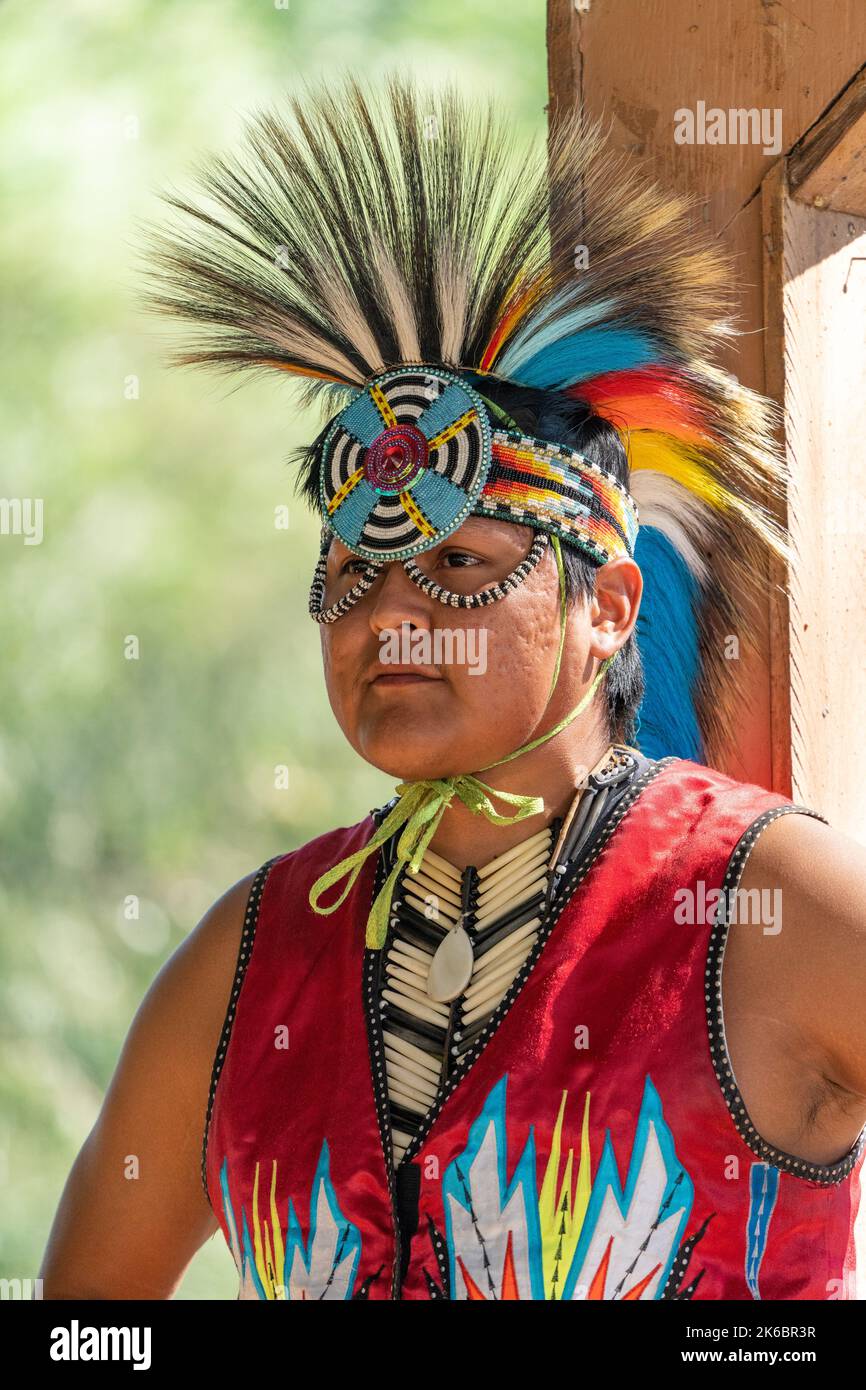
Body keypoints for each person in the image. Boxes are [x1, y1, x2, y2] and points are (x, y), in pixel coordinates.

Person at [41, 79, 866, 1301]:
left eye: (460, 567)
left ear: (608, 606)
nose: (389, 617)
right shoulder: (250, 954)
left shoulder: (767, 899)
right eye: (351, 573)